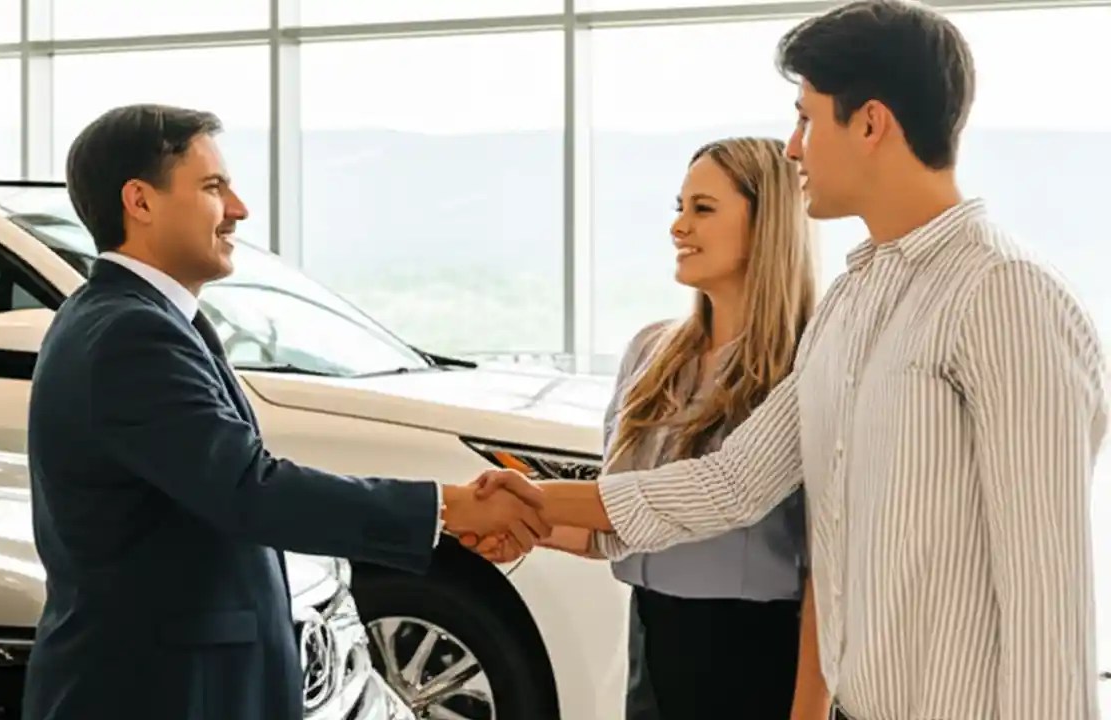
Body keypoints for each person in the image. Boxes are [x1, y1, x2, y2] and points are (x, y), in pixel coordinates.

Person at [470, 1, 1109, 718]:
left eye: (806, 118)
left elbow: (1049, 605)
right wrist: (530, 500)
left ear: (870, 123)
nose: (794, 148)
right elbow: (730, 484)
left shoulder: (1006, 296)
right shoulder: (850, 304)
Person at [21, 103, 549, 720]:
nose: (239, 209)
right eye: (213, 187)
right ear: (140, 201)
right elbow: (248, 489)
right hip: (163, 687)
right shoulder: (129, 334)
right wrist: (449, 506)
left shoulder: (130, 317)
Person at [517, 137, 820, 718]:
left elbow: (827, 572)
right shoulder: (650, 352)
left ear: (768, 223)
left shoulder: (809, 363)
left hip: (756, 658)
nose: (679, 227)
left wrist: (809, 708)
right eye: (678, 208)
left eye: (703, 209)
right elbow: (618, 526)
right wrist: (519, 522)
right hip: (651, 641)